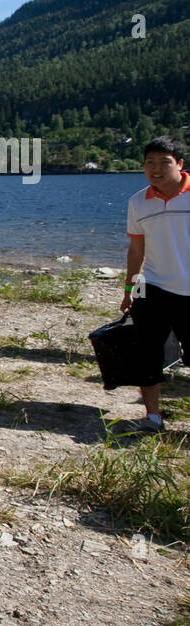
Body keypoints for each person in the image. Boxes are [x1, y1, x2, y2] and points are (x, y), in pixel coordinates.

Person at [121, 135, 190, 431]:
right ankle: (152, 416)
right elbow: (136, 251)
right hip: (153, 288)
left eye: (164, 163)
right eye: (150, 163)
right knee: (147, 354)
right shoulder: (138, 202)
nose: (156, 169)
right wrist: (128, 290)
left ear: (180, 165)